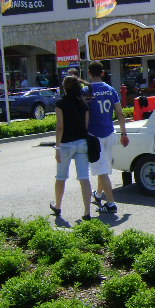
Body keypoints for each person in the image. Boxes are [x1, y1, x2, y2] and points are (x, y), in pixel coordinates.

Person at [86, 61, 129, 215]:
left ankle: (111, 203)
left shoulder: (87, 91)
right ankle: (98, 194)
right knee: (103, 165)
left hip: (94, 134)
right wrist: (124, 134)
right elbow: (120, 113)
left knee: (101, 169)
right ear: (102, 73)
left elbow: (85, 115)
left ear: (89, 73)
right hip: (109, 133)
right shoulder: (111, 90)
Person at [50, 75, 92, 220]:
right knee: (84, 177)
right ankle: (87, 212)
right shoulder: (83, 103)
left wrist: (57, 147)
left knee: (61, 177)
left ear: (64, 88)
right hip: (82, 142)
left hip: (66, 144)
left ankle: (58, 206)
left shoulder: (60, 103)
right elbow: (86, 127)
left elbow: (60, 127)